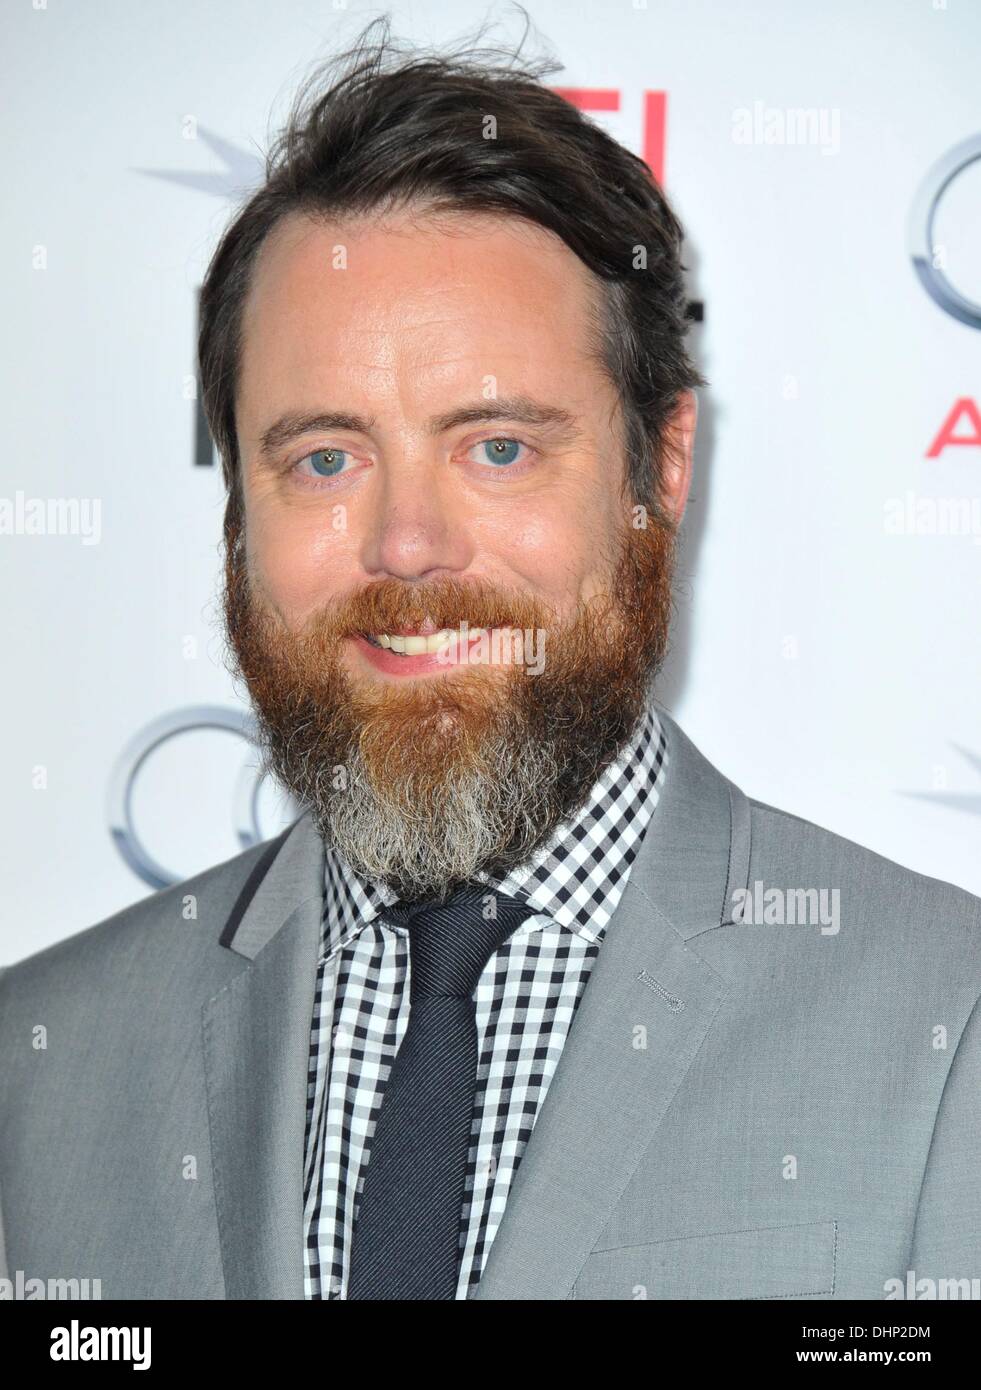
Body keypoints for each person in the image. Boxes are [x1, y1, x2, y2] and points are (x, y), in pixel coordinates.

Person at [2, 18, 979, 1302]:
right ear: (237, 497)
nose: (407, 546)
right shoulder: (41, 1066)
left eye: (500, 447)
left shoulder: (944, 1027)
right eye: (325, 459)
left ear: (662, 462)